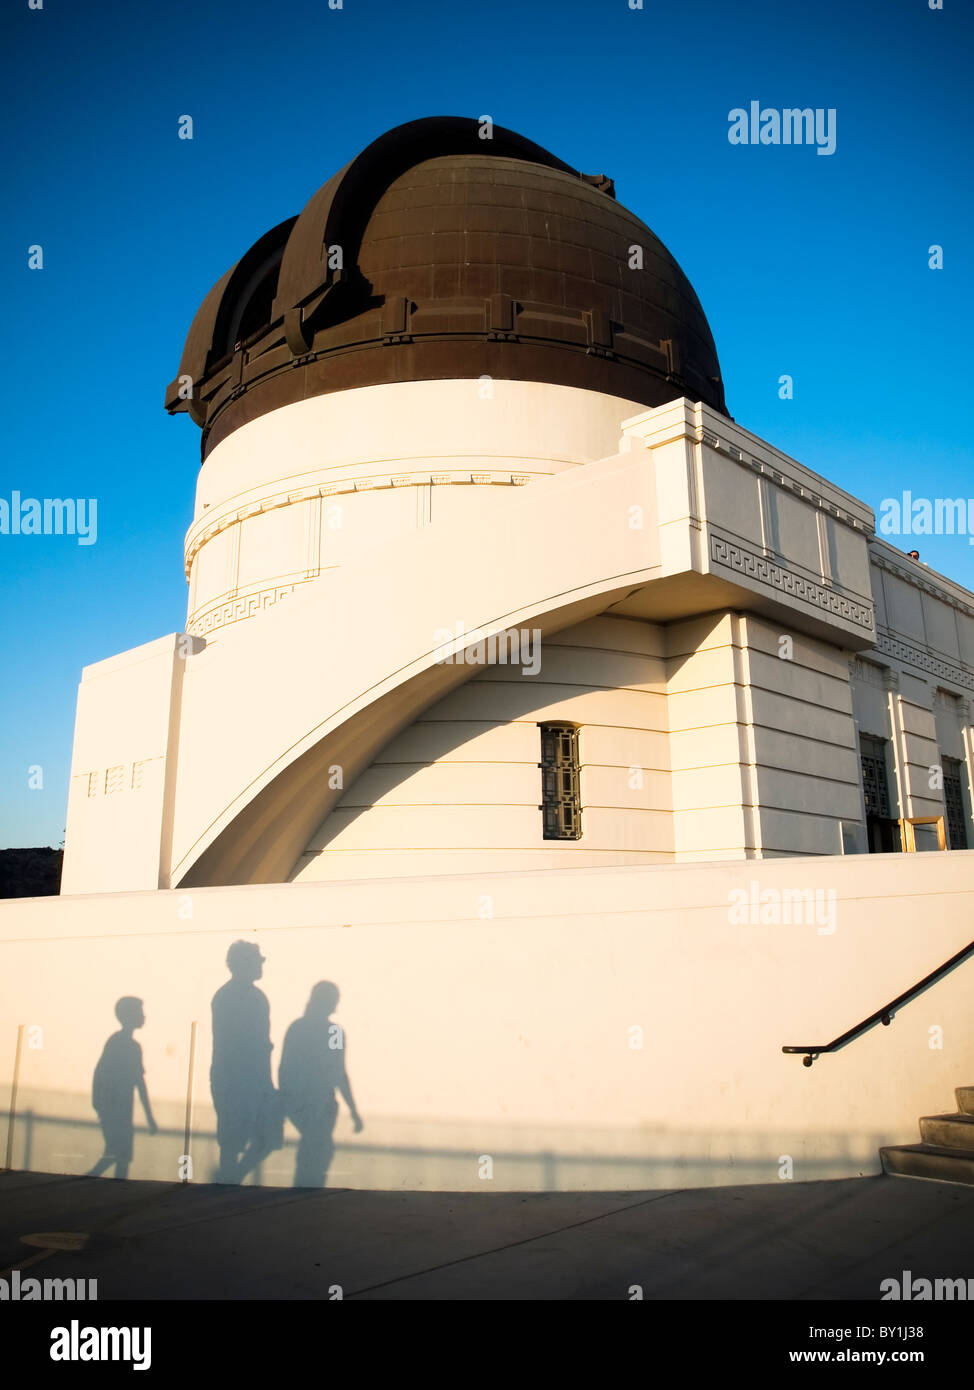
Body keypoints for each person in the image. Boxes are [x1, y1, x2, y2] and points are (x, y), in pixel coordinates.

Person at [210, 940, 283, 1184]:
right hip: (236, 1079)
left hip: (245, 1079)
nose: (261, 965)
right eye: (258, 960)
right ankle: (229, 1183)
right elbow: (242, 1044)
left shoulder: (249, 997)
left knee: (258, 1139)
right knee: (234, 1141)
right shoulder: (231, 997)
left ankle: (230, 1180)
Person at [279, 982, 363, 1188]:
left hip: (301, 1103)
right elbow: (338, 1073)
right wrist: (353, 1110)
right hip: (320, 1104)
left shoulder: (298, 1028)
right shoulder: (333, 1033)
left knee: (312, 1150)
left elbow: (285, 1069)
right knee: (318, 1152)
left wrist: (285, 1101)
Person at [88, 997, 157, 1179]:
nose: (144, 1016)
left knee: (122, 1156)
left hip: (121, 1110)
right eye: (140, 1012)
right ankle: (88, 1179)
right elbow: (139, 1084)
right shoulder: (124, 1045)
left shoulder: (126, 1044)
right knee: (119, 1153)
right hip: (115, 1109)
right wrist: (149, 1117)